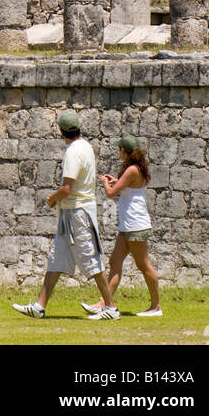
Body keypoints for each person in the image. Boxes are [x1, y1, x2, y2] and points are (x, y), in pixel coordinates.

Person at [13, 109, 120, 320]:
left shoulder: (73, 152)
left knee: (91, 258)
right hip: (73, 211)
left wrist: (51, 198)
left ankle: (110, 307)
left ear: (61, 130)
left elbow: (66, 189)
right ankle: (39, 306)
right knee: (57, 258)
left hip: (78, 212)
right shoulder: (86, 147)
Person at [82, 134, 162, 318]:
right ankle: (105, 304)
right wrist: (116, 181)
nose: (119, 152)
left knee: (144, 265)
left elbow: (111, 194)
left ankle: (156, 306)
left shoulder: (132, 170)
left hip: (136, 225)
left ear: (124, 151)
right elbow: (127, 187)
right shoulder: (135, 168)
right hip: (128, 225)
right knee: (115, 261)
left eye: (120, 150)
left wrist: (104, 183)